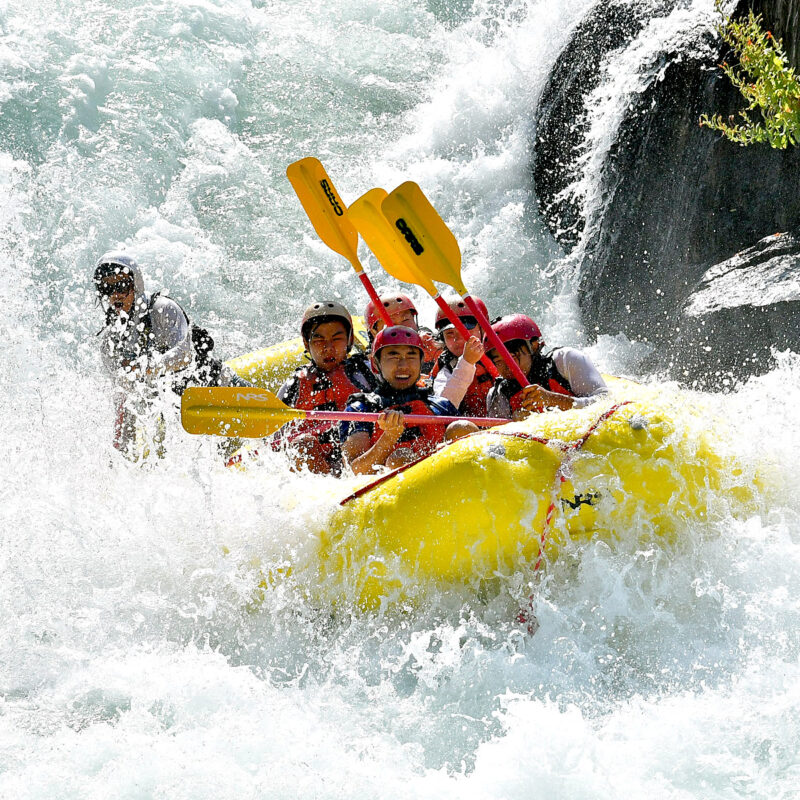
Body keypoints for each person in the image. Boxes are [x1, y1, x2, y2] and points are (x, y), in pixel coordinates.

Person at [93, 251, 248, 460]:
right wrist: (121, 451)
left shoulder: (162, 309)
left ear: (136, 284)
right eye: (107, 288)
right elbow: (122, 398)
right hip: (180, 411)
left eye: (121, 286)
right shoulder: (109, 342)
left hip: (216, 385)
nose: (115, 295)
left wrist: (145, 369)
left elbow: (184, 355)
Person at [340, 326, 474, 475]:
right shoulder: (360, 410)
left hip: (445, 481)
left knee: (463, 428)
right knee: (401, 458)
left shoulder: (440, 405)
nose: (403, 366)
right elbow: (354, 472)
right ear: (375, 364)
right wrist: (389, 438)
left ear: (421, 362)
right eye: (393, 356)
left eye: (411, 356)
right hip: (392, 492)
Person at [275, 301, 377, 474]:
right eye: (319, 339)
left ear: (350, 340)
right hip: (318, 466)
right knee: (302, 444)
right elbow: (276, 438)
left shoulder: (366, 370)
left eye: (337, 339)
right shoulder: (294, 385)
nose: (328, 348)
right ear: (307, 344)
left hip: (359, 454)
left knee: (359, 435)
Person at [484, 314, 608, 420]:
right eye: (498, 361)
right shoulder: (499, 393)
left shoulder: (565, 360)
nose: (507, 367)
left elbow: (605, 401)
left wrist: (553, 400)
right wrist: (515, 422)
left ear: (534, 345)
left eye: (512, 357)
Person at [431, 296, 492, 417]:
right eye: (449, 333)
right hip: (468, 430)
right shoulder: (446, 368)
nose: (457, 339)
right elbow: (444, 408)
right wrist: (467, 363)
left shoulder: (502, 355)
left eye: (465, 330)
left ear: (483, 328)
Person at [364, 293, 441, 374]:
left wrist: (439, 354)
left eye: (406, 320)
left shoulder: (430, 341)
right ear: (374, 332)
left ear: (415, 321)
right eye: (392, 323)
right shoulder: (371, 361)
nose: (402, 328)